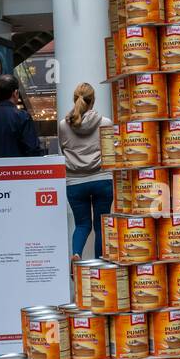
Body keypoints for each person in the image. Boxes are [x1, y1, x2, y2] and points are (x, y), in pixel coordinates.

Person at [57, 83, 113, 260]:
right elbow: (110, 153)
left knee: (82, 225)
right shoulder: (106, 123)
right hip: (102, 179)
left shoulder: (63, 125)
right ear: (93, 101)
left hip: (74, 183)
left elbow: (63, 149)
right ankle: (99, 265)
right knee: (100, 226)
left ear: (75, 100)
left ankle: (76, 254)